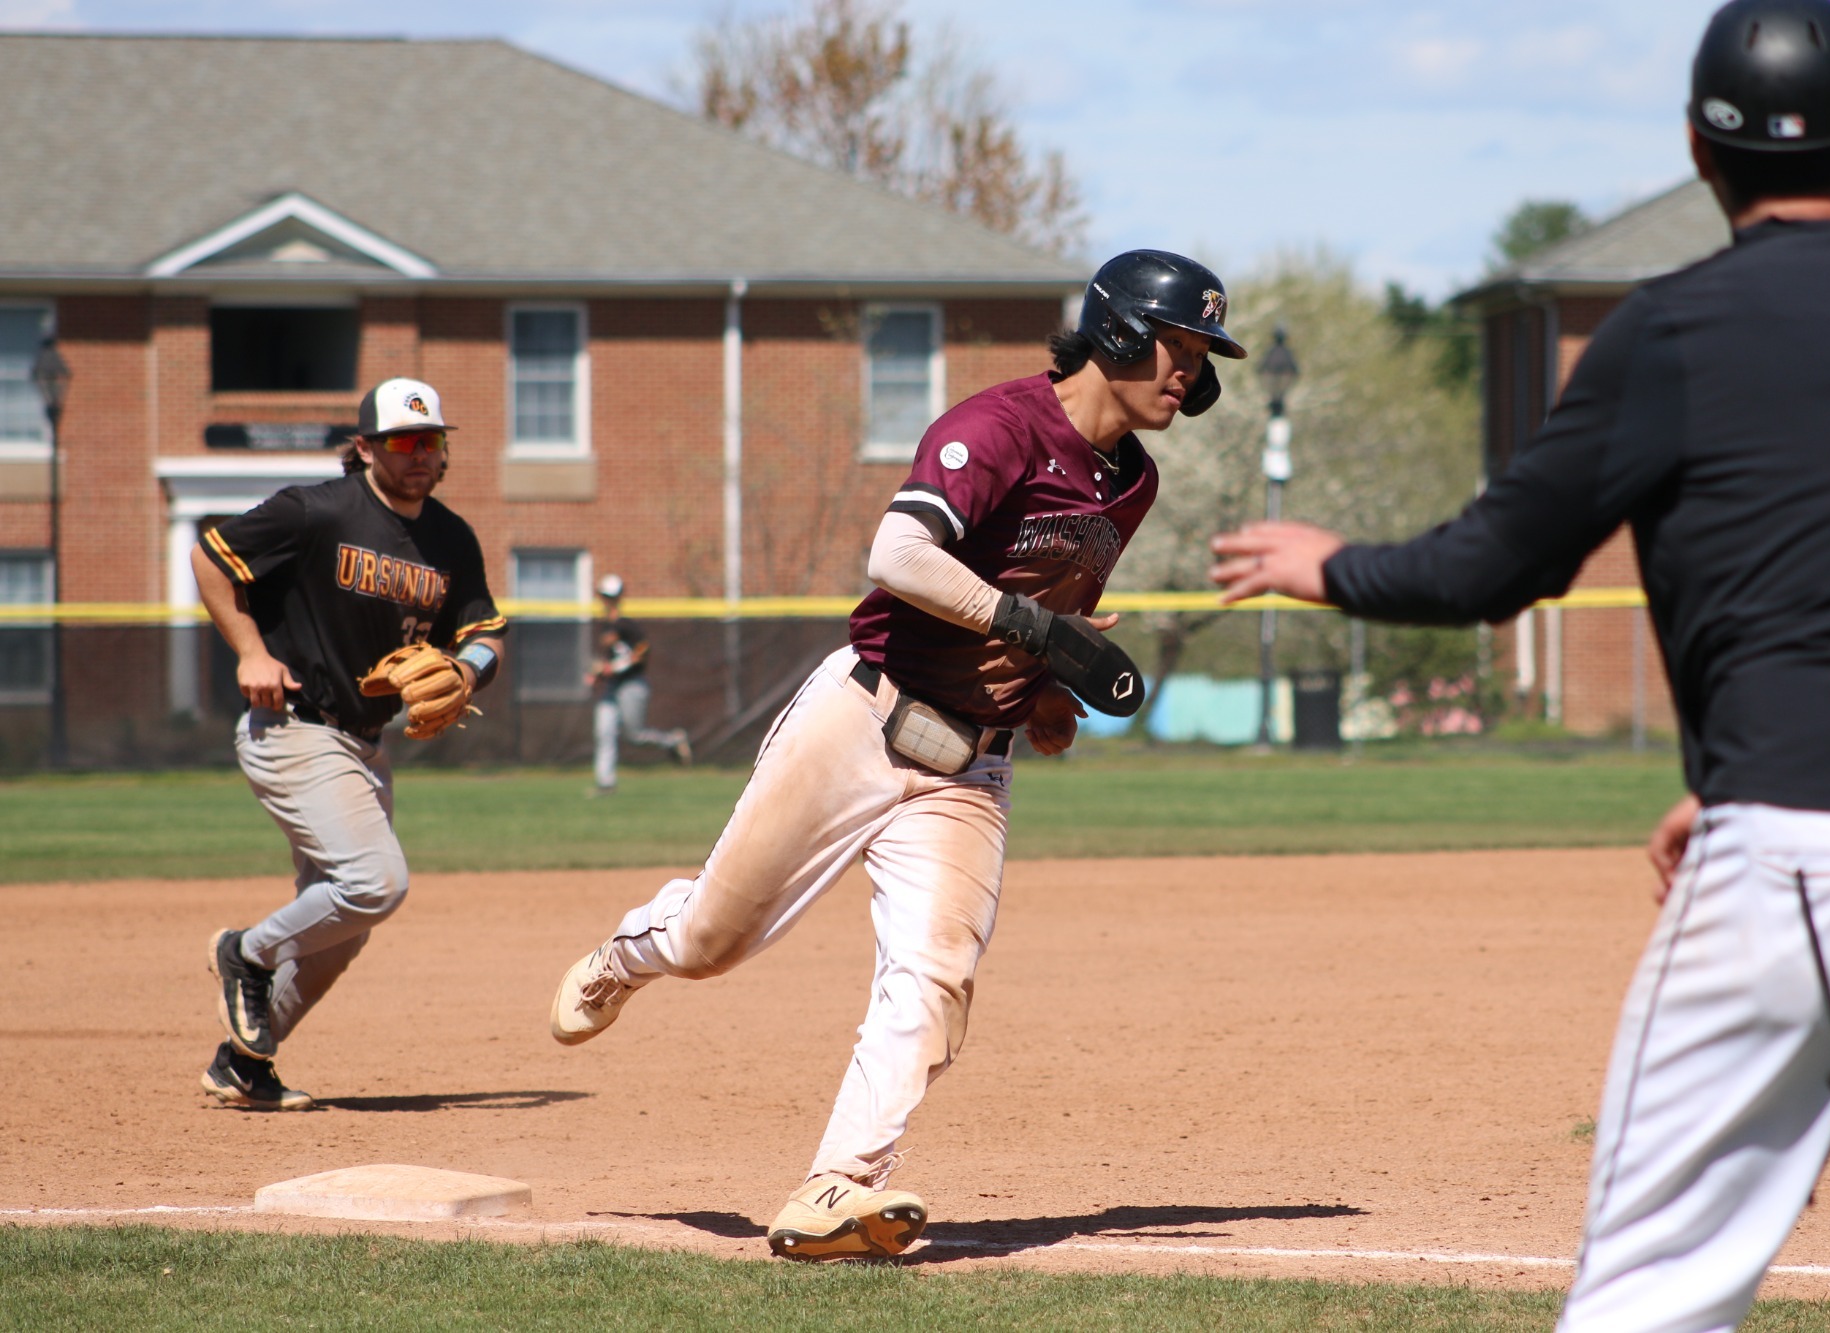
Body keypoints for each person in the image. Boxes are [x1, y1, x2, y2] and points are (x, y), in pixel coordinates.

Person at [1212, 2, 1830, 1325]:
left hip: (1797, 855)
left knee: (1650, 1298)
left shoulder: (1674, 327)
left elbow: (1493, 566)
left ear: (1700, 150)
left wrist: (1335, 564)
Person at [548, 250, 1242, 1259]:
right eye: (1181, 346)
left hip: (969, 765)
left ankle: (835, 1186)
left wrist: (1046, 687)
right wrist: (1033, 629)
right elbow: (898, 557)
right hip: (863, 720)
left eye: (1200, 354)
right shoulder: (995, 428)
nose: (1190, 371)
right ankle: (626, 956)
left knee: (934, 976)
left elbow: (1055, 607)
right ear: (1119, 335)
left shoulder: (1130, 482)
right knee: (710, 944)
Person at [195, 377, 507, 1111]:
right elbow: (211, 557)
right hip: (295, 729)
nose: (419, 456)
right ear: (364, 446)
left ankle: (242, 1064)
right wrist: (249, 652)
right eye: (402, 442)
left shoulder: (450, 538)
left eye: (430, 441)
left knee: (342, 929)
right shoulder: (317, 510)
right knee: (375, 883)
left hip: (364, 748)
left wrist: (467, 668)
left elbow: (486, 632)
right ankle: (246, 952)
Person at [586, 573, 691, 794]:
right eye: (605, 596)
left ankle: (672, 741)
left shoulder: (627, 625)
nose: (607, 600)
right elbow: (606, 659)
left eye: (611, 596)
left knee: (635, 735)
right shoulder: (605, 626)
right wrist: (597, 674)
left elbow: (642, 652)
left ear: (619, 597)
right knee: (603, 731)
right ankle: (606, 783)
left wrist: (613, 668)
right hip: (612, 687)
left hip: (632, 685)